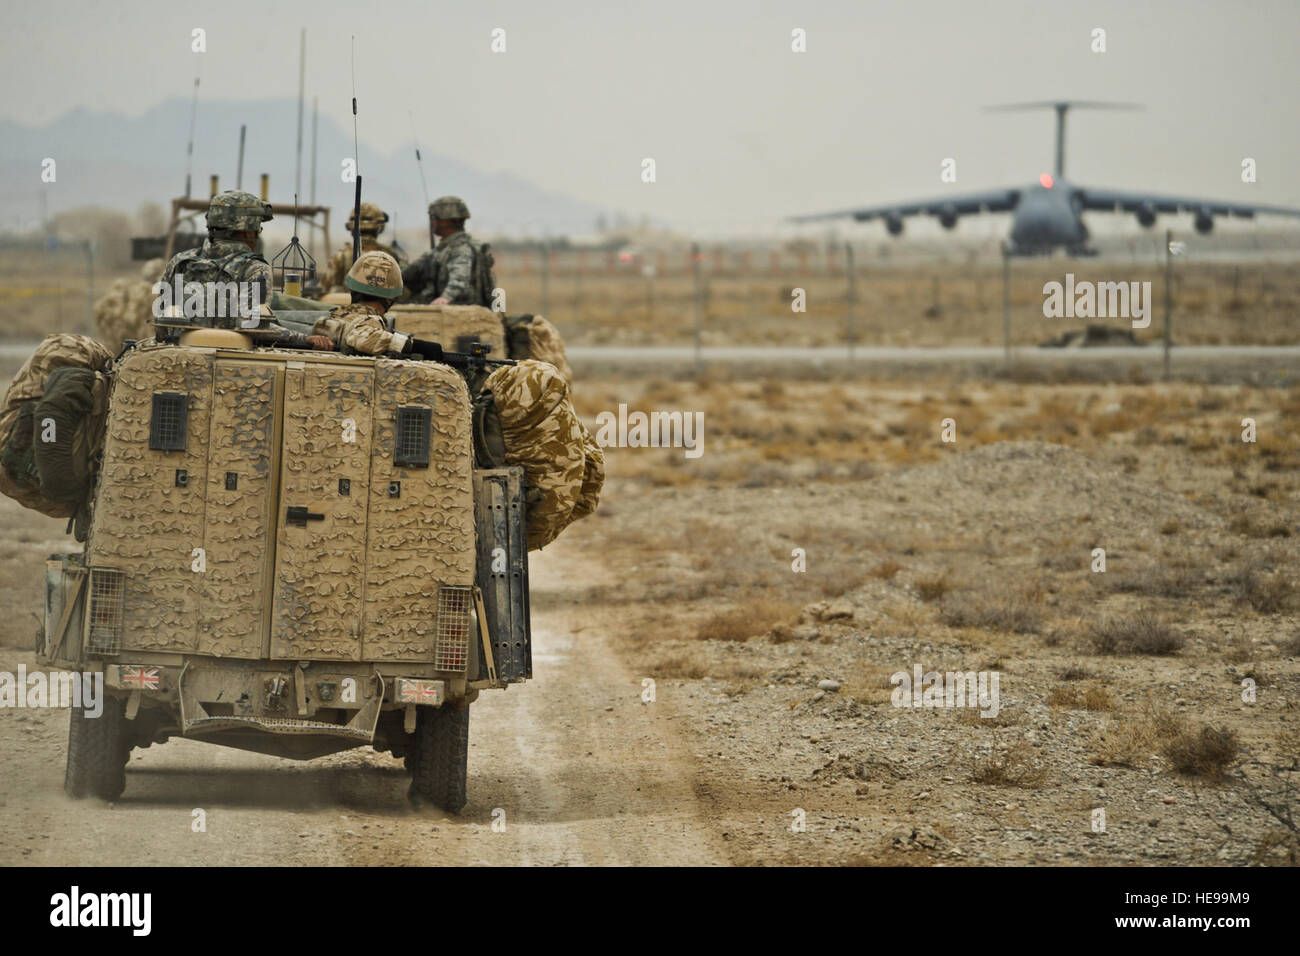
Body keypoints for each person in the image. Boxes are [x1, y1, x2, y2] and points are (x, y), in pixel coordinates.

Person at [311, 251, 413, 355]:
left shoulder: (334, 317)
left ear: (352, 289)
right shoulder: (369, 325)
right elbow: (363, 337)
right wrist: (413, 345)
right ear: (391, 299)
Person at [401, 195, 494, 306]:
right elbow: (409, 273)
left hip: (460, 311)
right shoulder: (441, 250)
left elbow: (460, 278)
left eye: (434, 218)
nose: (431, 223)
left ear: (446, 221)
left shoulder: (462, 249)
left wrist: (446, 297)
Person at [318, 201, 408, 293]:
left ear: (351, 227)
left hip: (349, 306)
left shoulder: (341, 257)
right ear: (380, 227)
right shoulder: (390, 255)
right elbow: (400, 290)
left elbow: (323, 289)